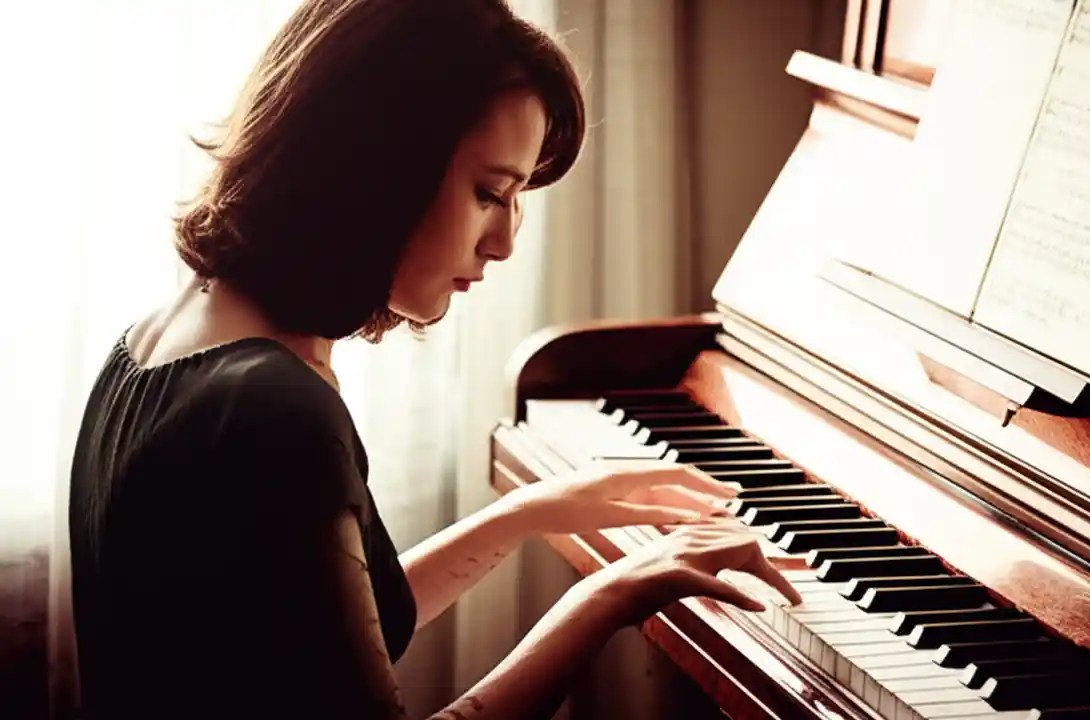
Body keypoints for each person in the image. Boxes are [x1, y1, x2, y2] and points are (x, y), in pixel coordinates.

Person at [66, 1, 802, 718]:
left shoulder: (157, 343)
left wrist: (530, 512)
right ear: (376, 163)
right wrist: (613, 593)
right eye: (491, 192)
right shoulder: (273, 409)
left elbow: (325, 636)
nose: (505, 241)